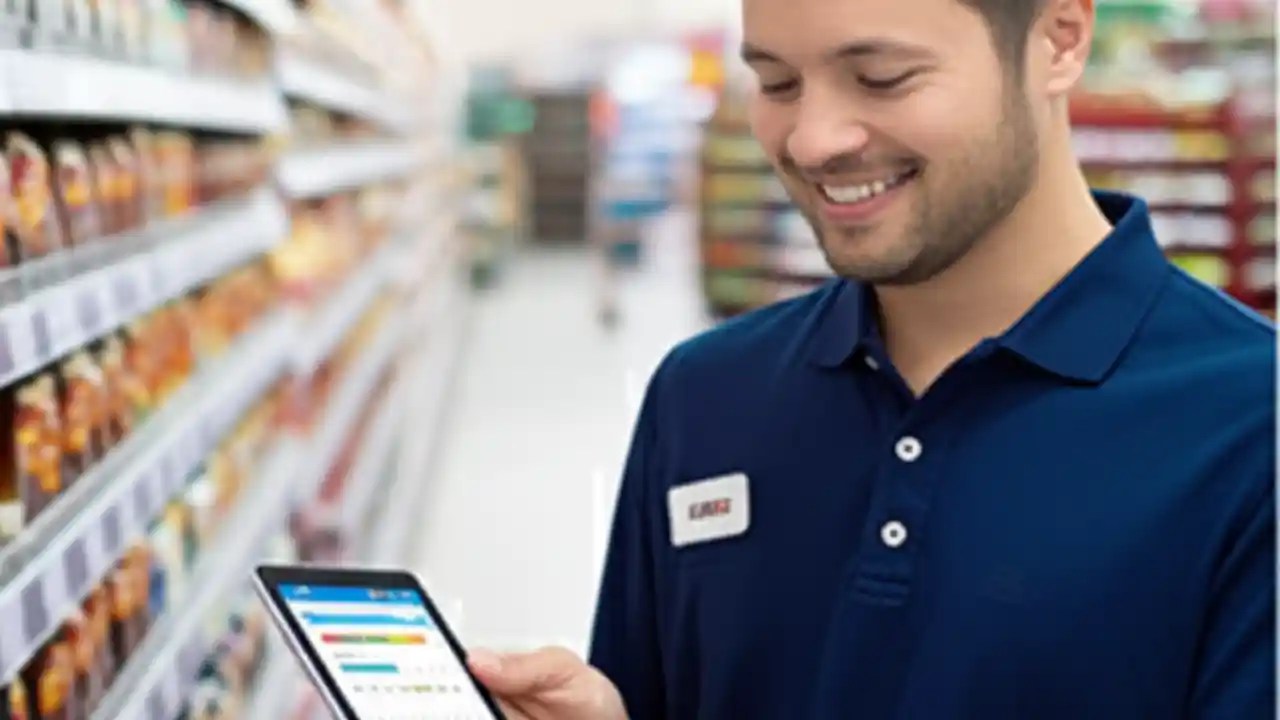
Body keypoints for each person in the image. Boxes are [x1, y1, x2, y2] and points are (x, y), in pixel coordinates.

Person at [468, 0, 1277, 716]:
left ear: (1058, 41)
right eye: (778, 84)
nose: (814, 141)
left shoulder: (1251, 430)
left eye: (882, 77)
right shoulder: (704, 397)